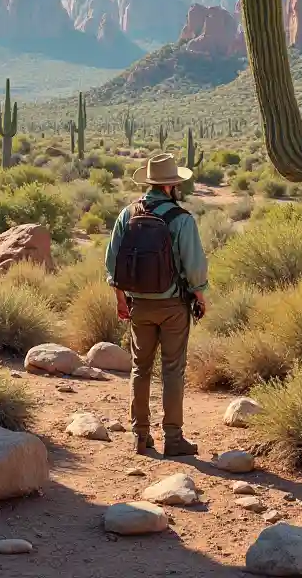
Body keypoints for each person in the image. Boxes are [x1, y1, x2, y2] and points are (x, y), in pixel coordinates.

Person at [105, 152, 209, 456]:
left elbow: (112, 263)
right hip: (173, 306)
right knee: (173, 371)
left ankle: (139, 436)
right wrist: (199, 297)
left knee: (140, 368)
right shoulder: (181, 218)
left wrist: (121, 299)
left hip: (139, 305)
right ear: (170, 186)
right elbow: (195, 267)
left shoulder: (128, 214)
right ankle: (173, 439)